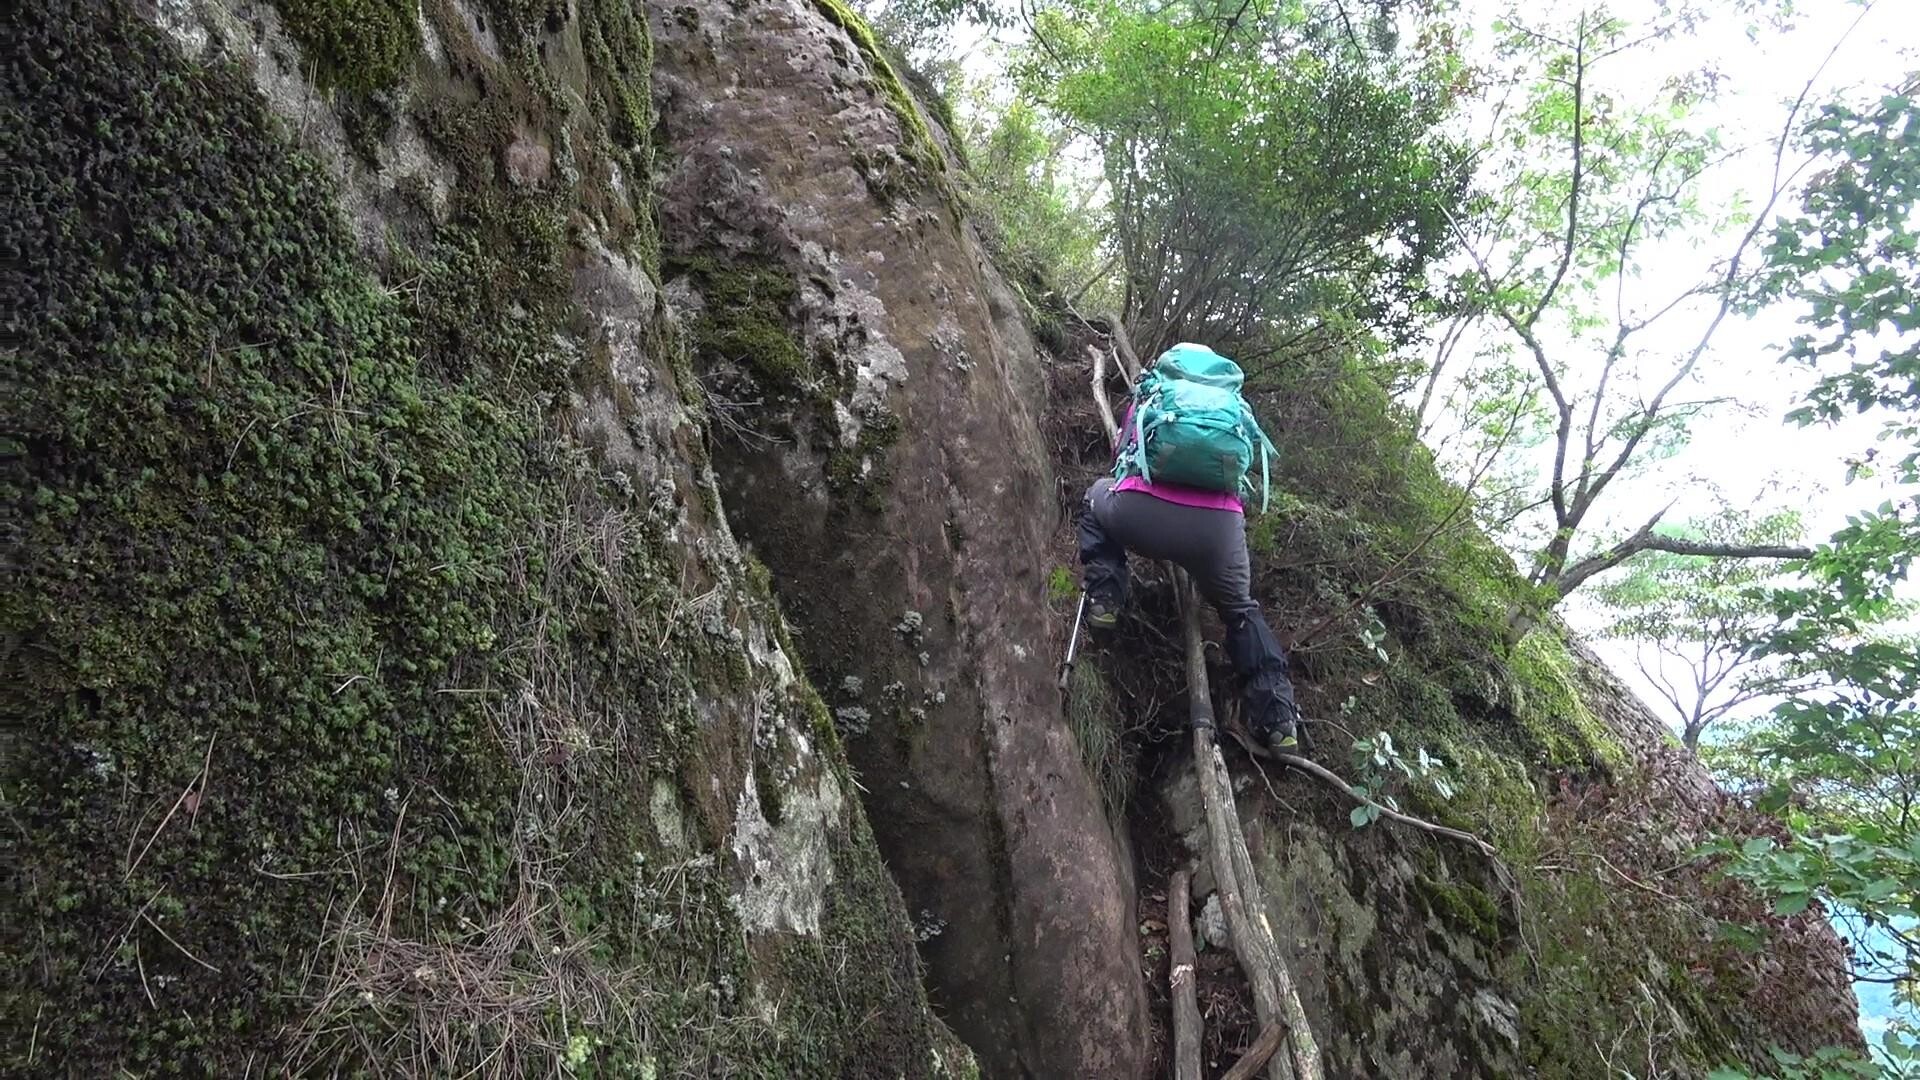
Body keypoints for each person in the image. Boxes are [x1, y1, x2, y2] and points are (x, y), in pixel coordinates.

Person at [1077, 343, 1302, 752]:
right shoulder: (1231, 405)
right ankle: (1278, 719)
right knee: (1240, 610)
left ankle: (1106, 599)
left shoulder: (1153, 392)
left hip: (1141, 516)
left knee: (1095, 496)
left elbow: (1122, 455)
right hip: (1217, 532)